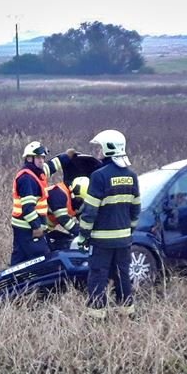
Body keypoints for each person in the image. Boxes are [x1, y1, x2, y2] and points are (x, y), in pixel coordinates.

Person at [76, 130, 141, 319]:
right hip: (123, 241)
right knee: (122, 277)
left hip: (101, 241)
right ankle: (127, 313)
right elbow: (136, 209)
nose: (97, 152)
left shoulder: (99, 176)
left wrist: (83, 237)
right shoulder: (131, 175)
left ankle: (97, 317)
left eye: (99, 148)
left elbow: (90, 212)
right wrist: (129, 232)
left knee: (98, 277)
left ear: (108, 149)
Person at [10, 141, 52, 265]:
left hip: (23, 226)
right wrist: (37, 226)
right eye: (38, 157)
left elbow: (52, 166)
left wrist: (67, 156)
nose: (42, 160)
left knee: (19, 259)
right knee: (41, 258)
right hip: (28, 228)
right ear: (29, 158)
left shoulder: (34, 174)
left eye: (43, 158)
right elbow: (28, 207)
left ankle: (13, 282)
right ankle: (39, 284)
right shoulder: (27, 178)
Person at [44, 177, 81, 250]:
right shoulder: (58, 194)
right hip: (31, 228)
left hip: (44, 230)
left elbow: (82, 217)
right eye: (80, 200)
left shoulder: (73, 199)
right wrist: (82, 233)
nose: (80, 204)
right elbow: (63, 219)